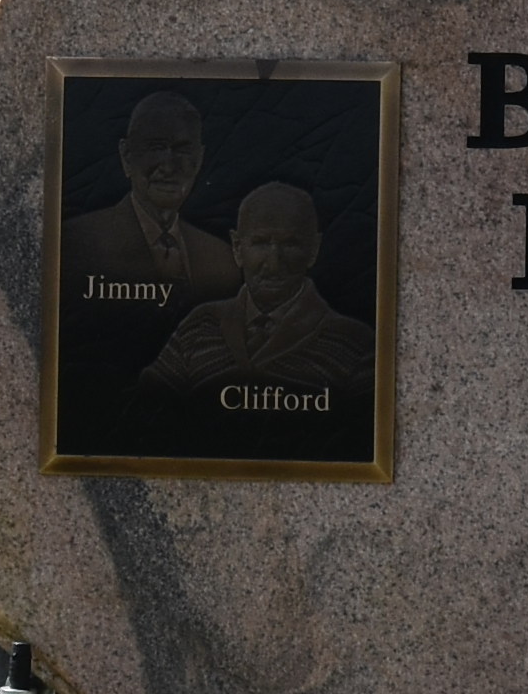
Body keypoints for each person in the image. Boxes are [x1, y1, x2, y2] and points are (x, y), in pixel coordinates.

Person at [138, 181, 370, 446]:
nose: (274, 263)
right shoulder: (199, 326)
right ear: (237, 247)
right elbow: (144, 421)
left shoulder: (356, 347)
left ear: (313, 249)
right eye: (260, 243)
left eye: (290, 244)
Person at [58, 91, 241, 313]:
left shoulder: (222, 260)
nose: (169, 167)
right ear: (126, 156)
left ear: (200, 158)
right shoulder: (76, 244)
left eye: (183, 150)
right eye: (155, 148)